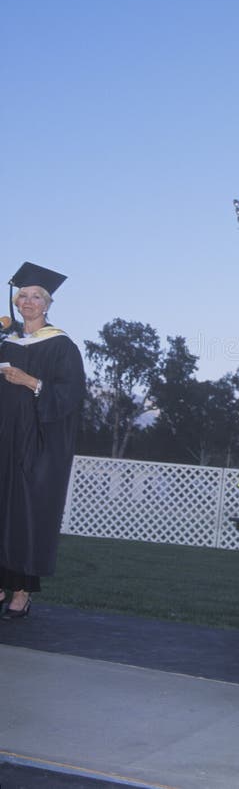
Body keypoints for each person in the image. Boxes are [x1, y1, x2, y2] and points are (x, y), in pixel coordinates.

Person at [0, 262, 85, 620]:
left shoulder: (61, 346)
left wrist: (31, 382)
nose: (28, 302)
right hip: (2, 438)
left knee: (26, 513)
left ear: (48, 304)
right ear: (16, 302)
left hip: (36, 443)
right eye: (23, 296)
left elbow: (72, 396)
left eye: (36, 297)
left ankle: (21, 591)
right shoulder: (5, 342)